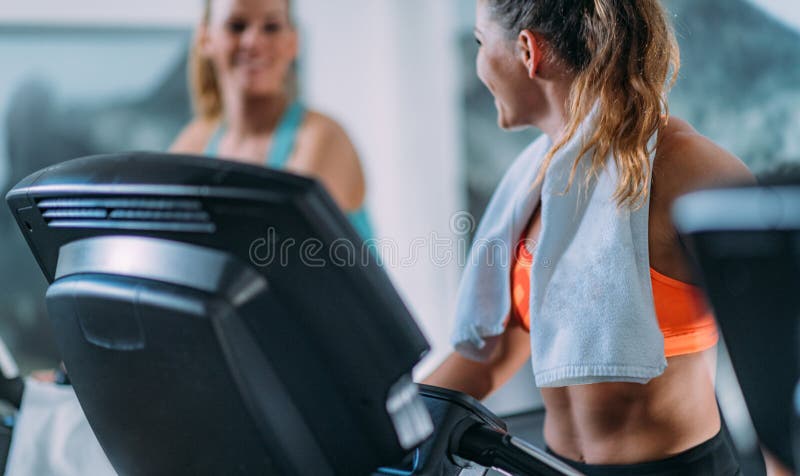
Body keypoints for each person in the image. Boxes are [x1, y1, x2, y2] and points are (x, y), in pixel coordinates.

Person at [424, 1, 754, 474]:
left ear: (527, 51)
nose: (476, 64)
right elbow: (490, 353)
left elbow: (779, 351)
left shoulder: (689, 172)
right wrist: (385, 432)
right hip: (551, 466)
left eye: (480, 42)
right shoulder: (537, 186)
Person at [170, 0, 372, 239]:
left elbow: (281, 246)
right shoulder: (195, 141)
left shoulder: (321, 138)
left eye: (272, 27)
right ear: (205, 39)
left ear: (293, 42)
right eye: (236, 26)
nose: (253, 42)